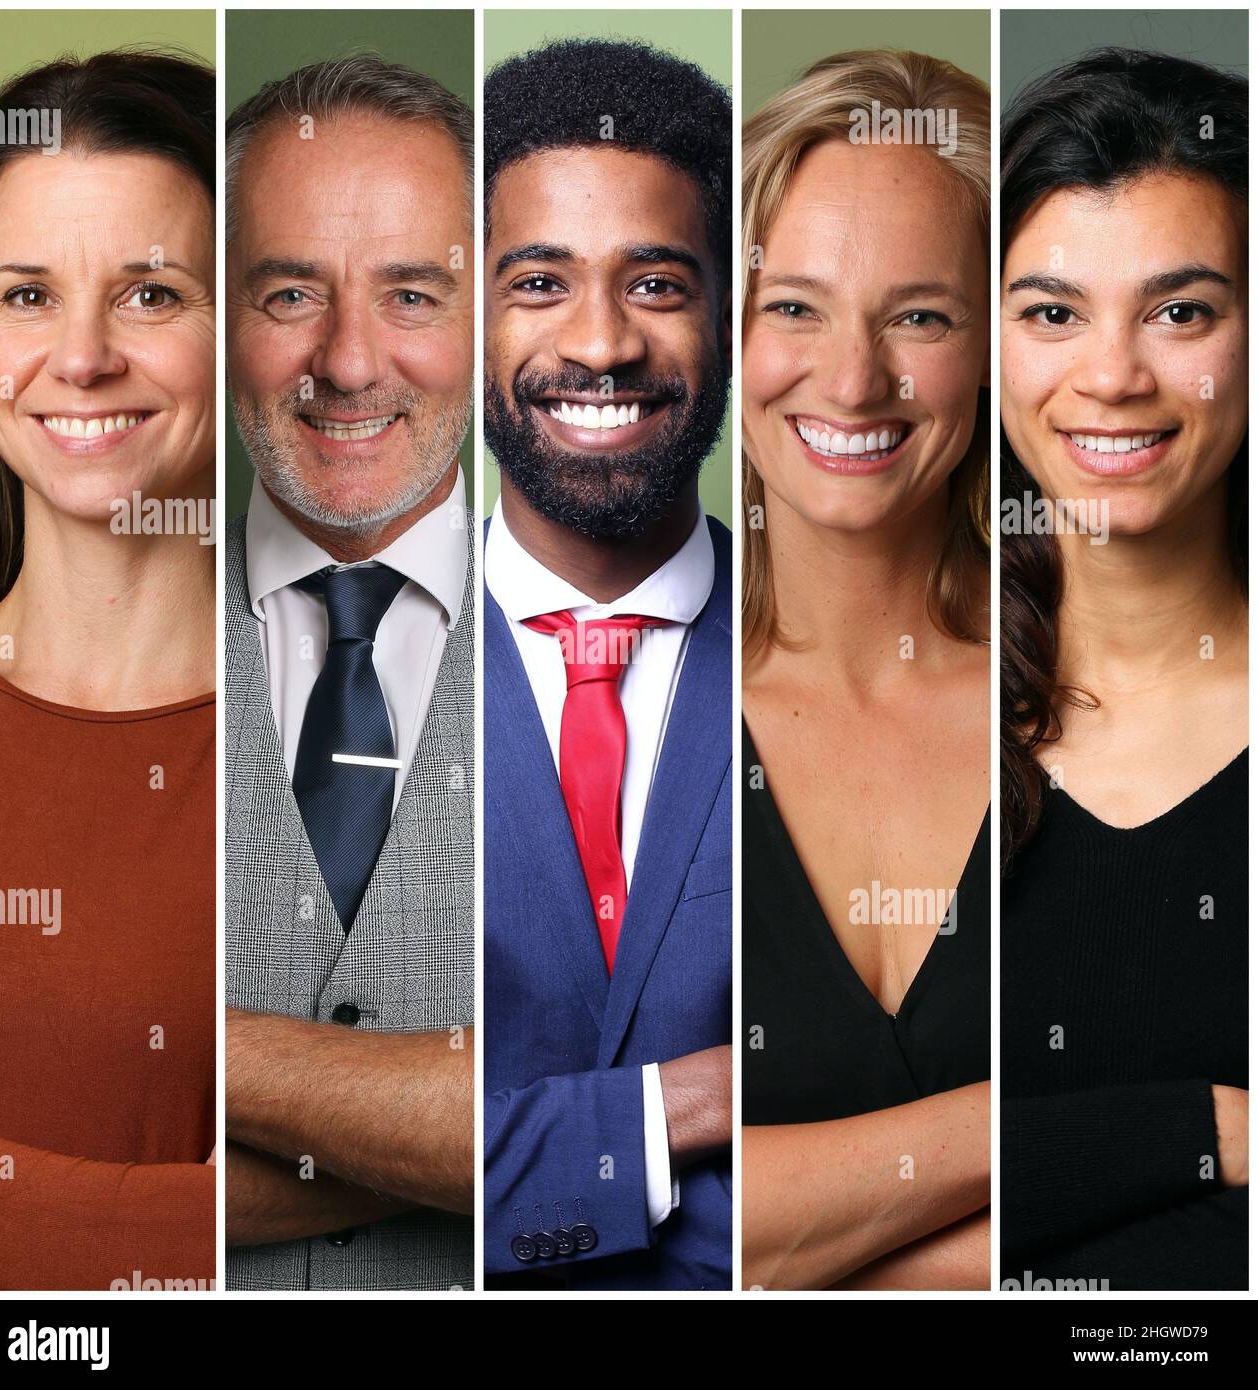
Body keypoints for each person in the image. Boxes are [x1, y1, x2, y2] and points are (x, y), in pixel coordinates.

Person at [482, 38, 734, 1290]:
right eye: (538, 281)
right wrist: (688, 1111)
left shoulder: (853, 648)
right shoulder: (338, 659)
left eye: (653, 282)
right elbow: (287, 1156)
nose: (599, 344)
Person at [740, 50, 992, 1289]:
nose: (852, 379)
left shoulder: (1104, 691)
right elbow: (570, 1201)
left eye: (920, 316)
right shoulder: (615, 688)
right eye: (792, 305)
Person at [223, 55, 475, 1291]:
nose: (352, 361)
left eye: (414, 294)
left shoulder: (652, 634)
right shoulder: (86, 630)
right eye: (287, 295)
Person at [0, 49, 216, 1290]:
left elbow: (464, 1157)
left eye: (151, 294)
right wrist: (248, 1212)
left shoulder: (362, 720)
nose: (80, 357)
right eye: (25, 295)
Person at [1000, 48, 1248, 1290]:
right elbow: (776, 1212)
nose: (1110, 376)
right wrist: (1207, 1133)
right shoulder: (900, 710)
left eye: (1180, 310)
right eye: (1051, 312)